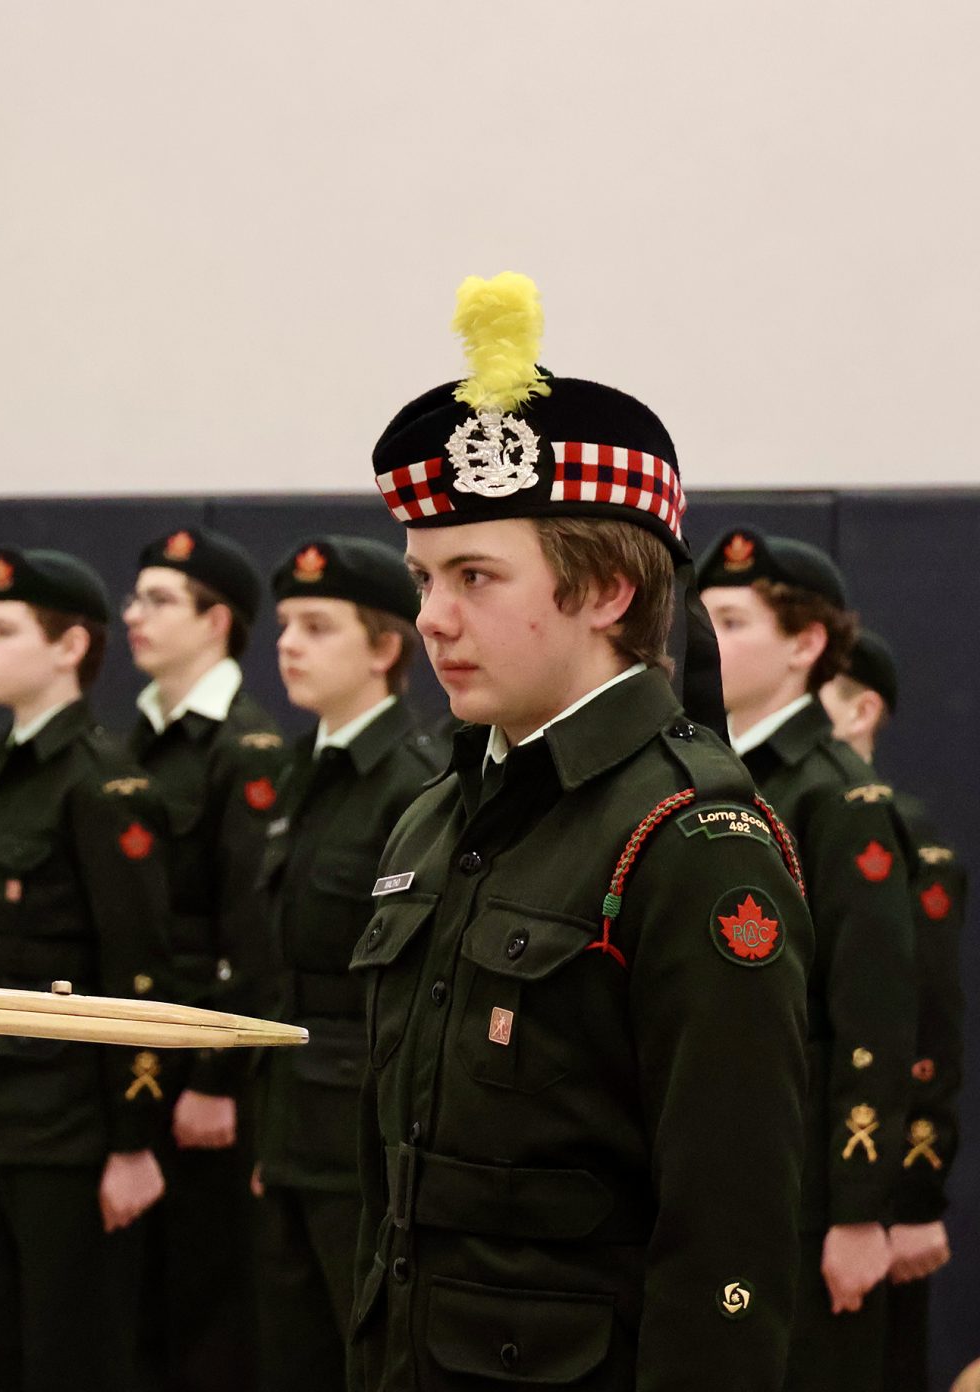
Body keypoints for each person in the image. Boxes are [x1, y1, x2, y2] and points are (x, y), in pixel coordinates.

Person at [349, 273, 812, 1390]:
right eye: (423, 578)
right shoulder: (434, 817)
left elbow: (727, 1231)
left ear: (606, 590)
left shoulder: (690, 839)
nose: (430, 618)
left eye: (473, 576)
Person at [697, 528, 920, 1392]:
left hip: (803, 1184)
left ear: (806, 644)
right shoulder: (696, 773)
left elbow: (875, 1014)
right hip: (710, 1161)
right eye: (702, 620)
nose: (707, 641)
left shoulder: (836, 794)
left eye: (733, 621)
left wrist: (858, 1214)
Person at [0, 546, 174, 1392]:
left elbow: (140, 971)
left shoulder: (102, 783)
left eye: (3, 630)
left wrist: (133, 1142)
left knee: (71, 1360)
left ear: (70, 646)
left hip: (71, 1134)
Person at [249, 535, 438, 1392]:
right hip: (291, 1122)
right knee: (290, 1360)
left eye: (318, 627)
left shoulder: (417, 782)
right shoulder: (302, 770)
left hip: (368, 1140)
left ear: (385, 648)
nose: (288, 644)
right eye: (286, 624)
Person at [124, 524, 282, 1391]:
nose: (133, 616)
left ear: (216, 620)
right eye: (135, 598)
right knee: (139, 1314)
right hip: (139, 1063)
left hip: (203, 1073)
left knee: (211, 1308)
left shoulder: (243, 748)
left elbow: (253, 930)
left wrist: (218, 1075)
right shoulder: (133, 743)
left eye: (158, 600)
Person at [817, 629, 964, 1392]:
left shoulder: (906, 833)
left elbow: (925, 1022)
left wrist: (914, 1197)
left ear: (860, 711)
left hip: (874, 1185)